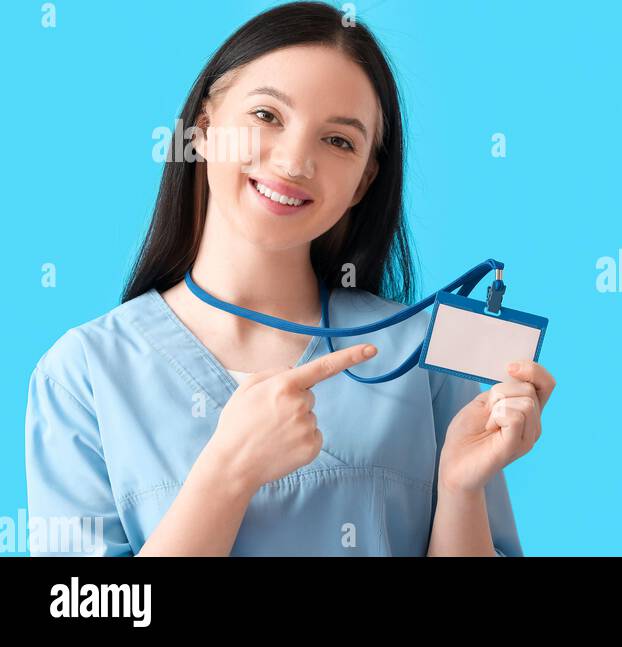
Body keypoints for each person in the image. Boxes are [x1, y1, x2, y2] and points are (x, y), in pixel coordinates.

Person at [24, 1, 554, 556]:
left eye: (339, 141)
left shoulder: (420, 358)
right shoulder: (81, 375)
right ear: (203, 129)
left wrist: (460, 489)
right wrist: (228, 473)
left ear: (364, 180)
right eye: (266, 116)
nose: (295, 161)